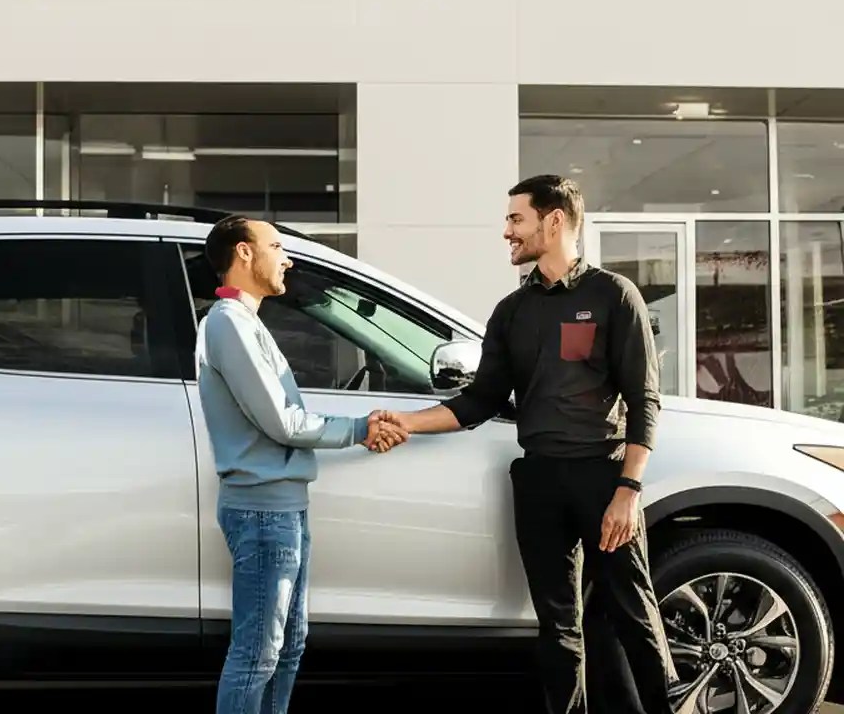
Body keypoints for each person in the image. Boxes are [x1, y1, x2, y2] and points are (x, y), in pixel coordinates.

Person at [369, 175, 677, 713]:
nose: (506, 231)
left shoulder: (612, 295)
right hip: (539, 481)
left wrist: (629, 488)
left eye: (516, 219)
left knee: (633, 613)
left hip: (602, 477)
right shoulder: (512, 312)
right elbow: (479, 400)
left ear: (554, 220)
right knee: (558, 626)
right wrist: (406, 422)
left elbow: (644, 399)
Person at [195, 213, 408, 714]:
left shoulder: (245, 323)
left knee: (286, 649)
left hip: (284, 509)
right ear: (244, 253)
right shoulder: (228, 325)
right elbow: (283, 423)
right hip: (263, 513)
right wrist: (360, 429)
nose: (286, 257)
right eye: (275, 245)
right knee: (257, 653)